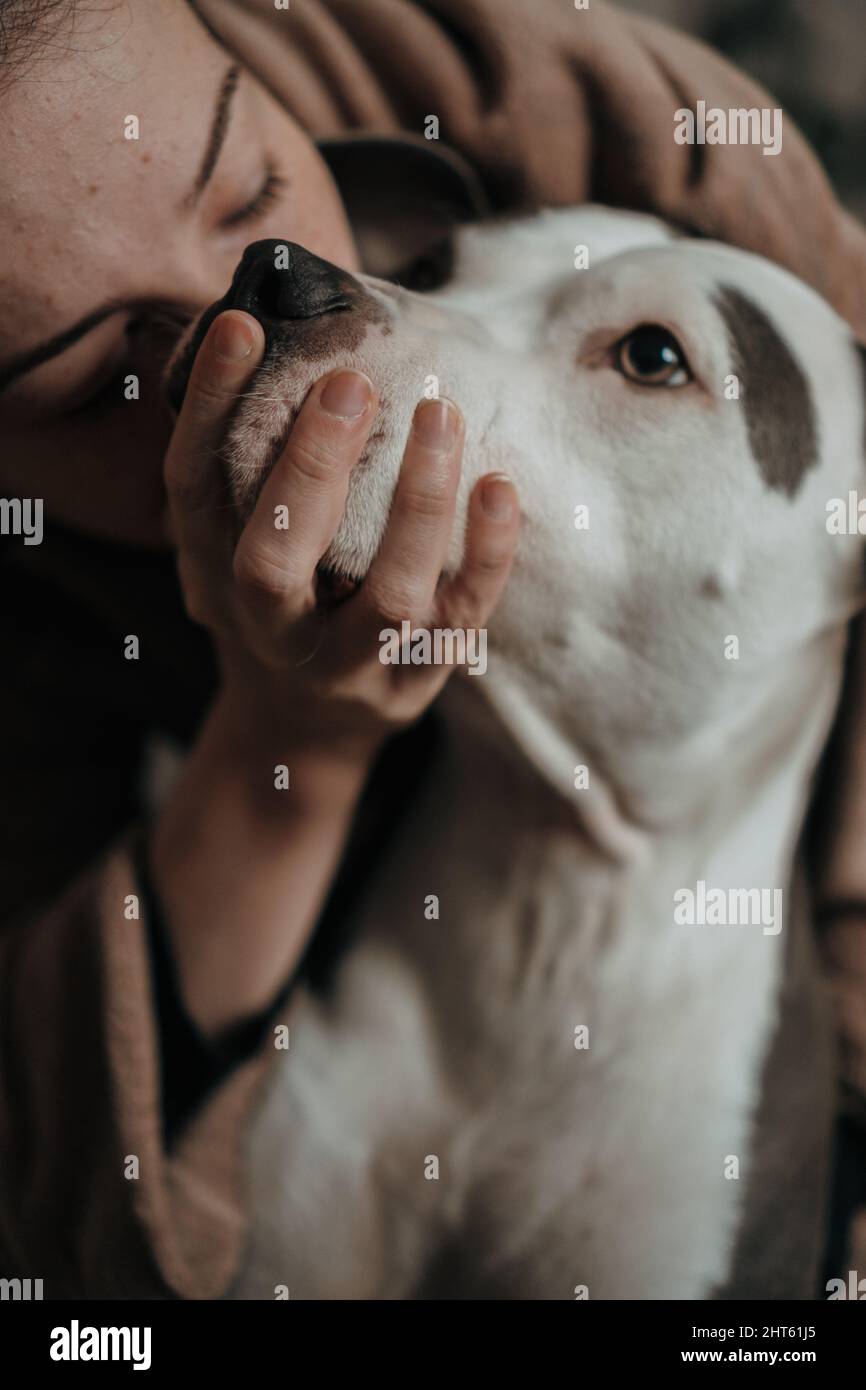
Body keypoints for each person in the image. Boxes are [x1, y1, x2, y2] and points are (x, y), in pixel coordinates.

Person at [0, 0, 864, 1298]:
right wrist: (288, 740)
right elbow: (70, 1212)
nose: (261, 303)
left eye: (253, 194)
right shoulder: (37, 643)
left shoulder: (632, 134)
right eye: (85, 381)